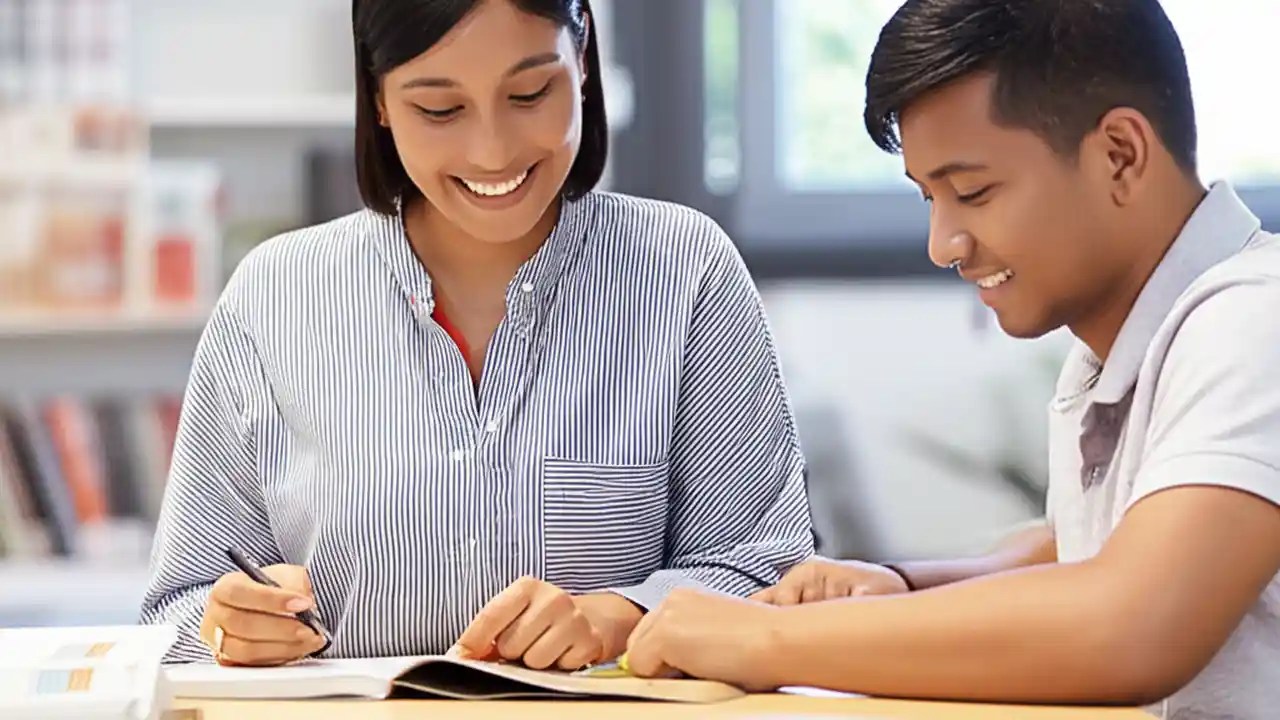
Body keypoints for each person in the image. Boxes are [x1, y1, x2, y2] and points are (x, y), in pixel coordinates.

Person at [624, 1, 1280, 717]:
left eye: (973, 192)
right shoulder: (1130, 345)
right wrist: (902, 582)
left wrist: (772, 640)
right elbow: (1094, 551)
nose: (944, 244)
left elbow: (1135, 620)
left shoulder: (1253, 319)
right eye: (930, 197)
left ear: (1120, 154)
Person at [140, 0, 812, 669]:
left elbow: (768, 572)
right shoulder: (272, 296)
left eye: (529, 93)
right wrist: (229, 626)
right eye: (439, 110)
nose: (492, 151)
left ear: (581, 63)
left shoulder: (686, 271)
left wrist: (619, 616)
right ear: (378, 99)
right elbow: (177, 613)